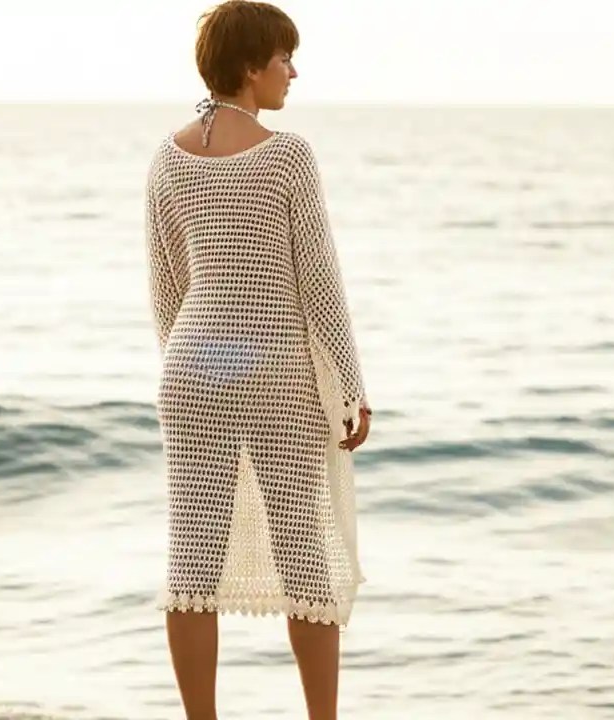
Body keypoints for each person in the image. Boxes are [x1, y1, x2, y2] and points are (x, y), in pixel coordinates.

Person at [143, 2, 372, 718]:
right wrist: (351, 387)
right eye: (283, 59)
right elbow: (320, 281)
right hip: (274, 370)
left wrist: (185, 372)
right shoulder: (287, 153)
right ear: (249, 65)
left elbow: (166, 283)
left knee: (191, 563)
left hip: (190, 369)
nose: (293, 72)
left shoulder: (167, 156)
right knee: (304, 555)